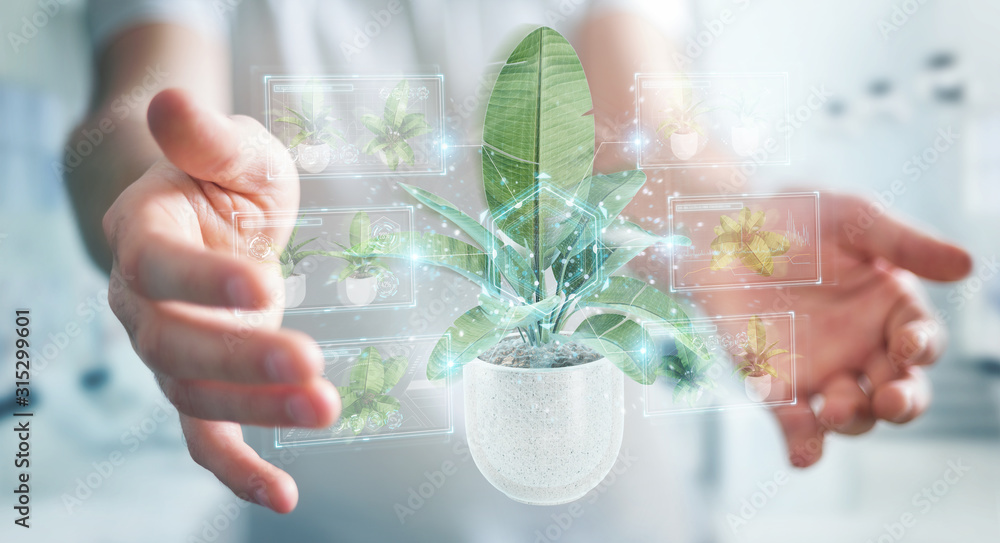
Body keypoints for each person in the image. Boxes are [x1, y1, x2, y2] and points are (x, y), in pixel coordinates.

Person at [66, 0, 972, 539]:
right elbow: (141, 101)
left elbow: (643, 120)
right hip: (324, 517)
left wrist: (726, 228)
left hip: (621, 515)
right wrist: (156, 192)